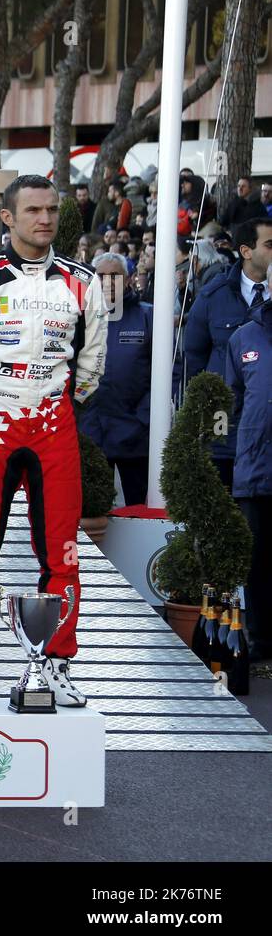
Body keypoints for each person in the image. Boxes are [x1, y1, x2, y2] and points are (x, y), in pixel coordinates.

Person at [0, 174, 108, 708]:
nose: (46, 220)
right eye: (33, 210)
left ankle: (55, 663)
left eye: (52, 210)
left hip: (54, 426)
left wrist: (61, 405)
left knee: (62, 553)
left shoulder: (84, 281)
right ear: (7, 218)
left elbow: (92, 363)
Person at [184, 217, 272, 489]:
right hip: (225, 431)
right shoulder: (214, 296)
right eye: (270, 245)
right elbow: (193, 358)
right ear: (246, 251)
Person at [79, 253, 153, 507]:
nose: (108, 282)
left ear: (129, 280)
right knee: (90, 509)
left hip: (135, 433)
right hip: (91, 430)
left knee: (137, 508)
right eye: (101, 276)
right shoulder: (79, 318)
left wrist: (143, 416)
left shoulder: (147, 317)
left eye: (115, 276)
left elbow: (169, 372)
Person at [226, 294, 272, 663]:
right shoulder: (243, 338)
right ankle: (259, 638)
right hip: (254, 468)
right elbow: (233, 400)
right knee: (255, 558)